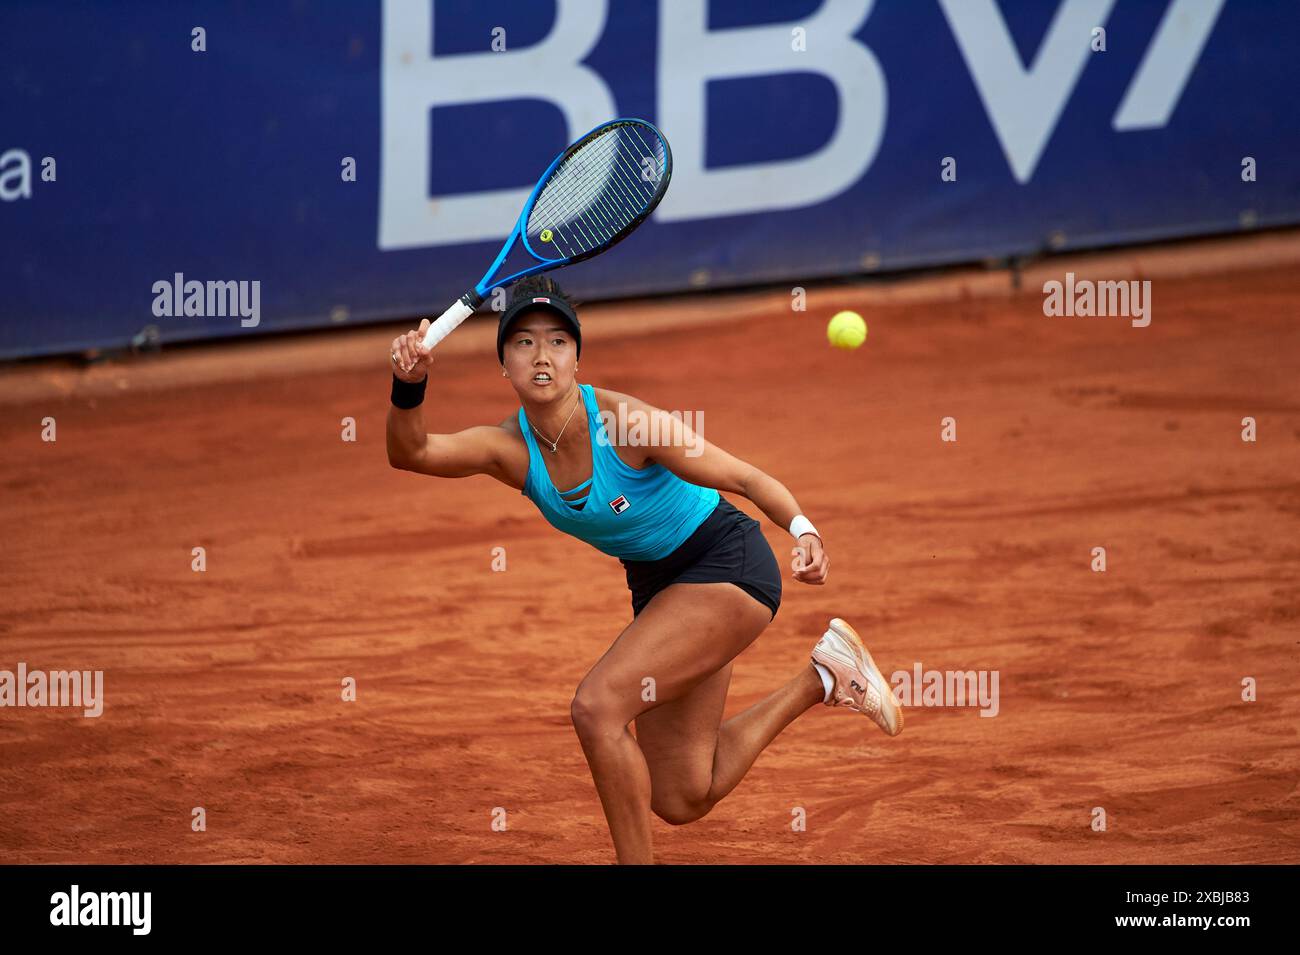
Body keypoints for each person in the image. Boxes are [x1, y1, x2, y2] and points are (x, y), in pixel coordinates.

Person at [386, 275, 903, 864]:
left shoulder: (628, 422)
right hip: (663, 591)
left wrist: (803, 529)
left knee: (597, 706)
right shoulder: (510, 447)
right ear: (503, 364)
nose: (542, 355)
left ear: (577, 356)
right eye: (523, 342)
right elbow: (413, 452)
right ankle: (825, 677)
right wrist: (410, 383)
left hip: (726, 565)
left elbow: (743, 477)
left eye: (557, 341)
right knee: (682, 794)